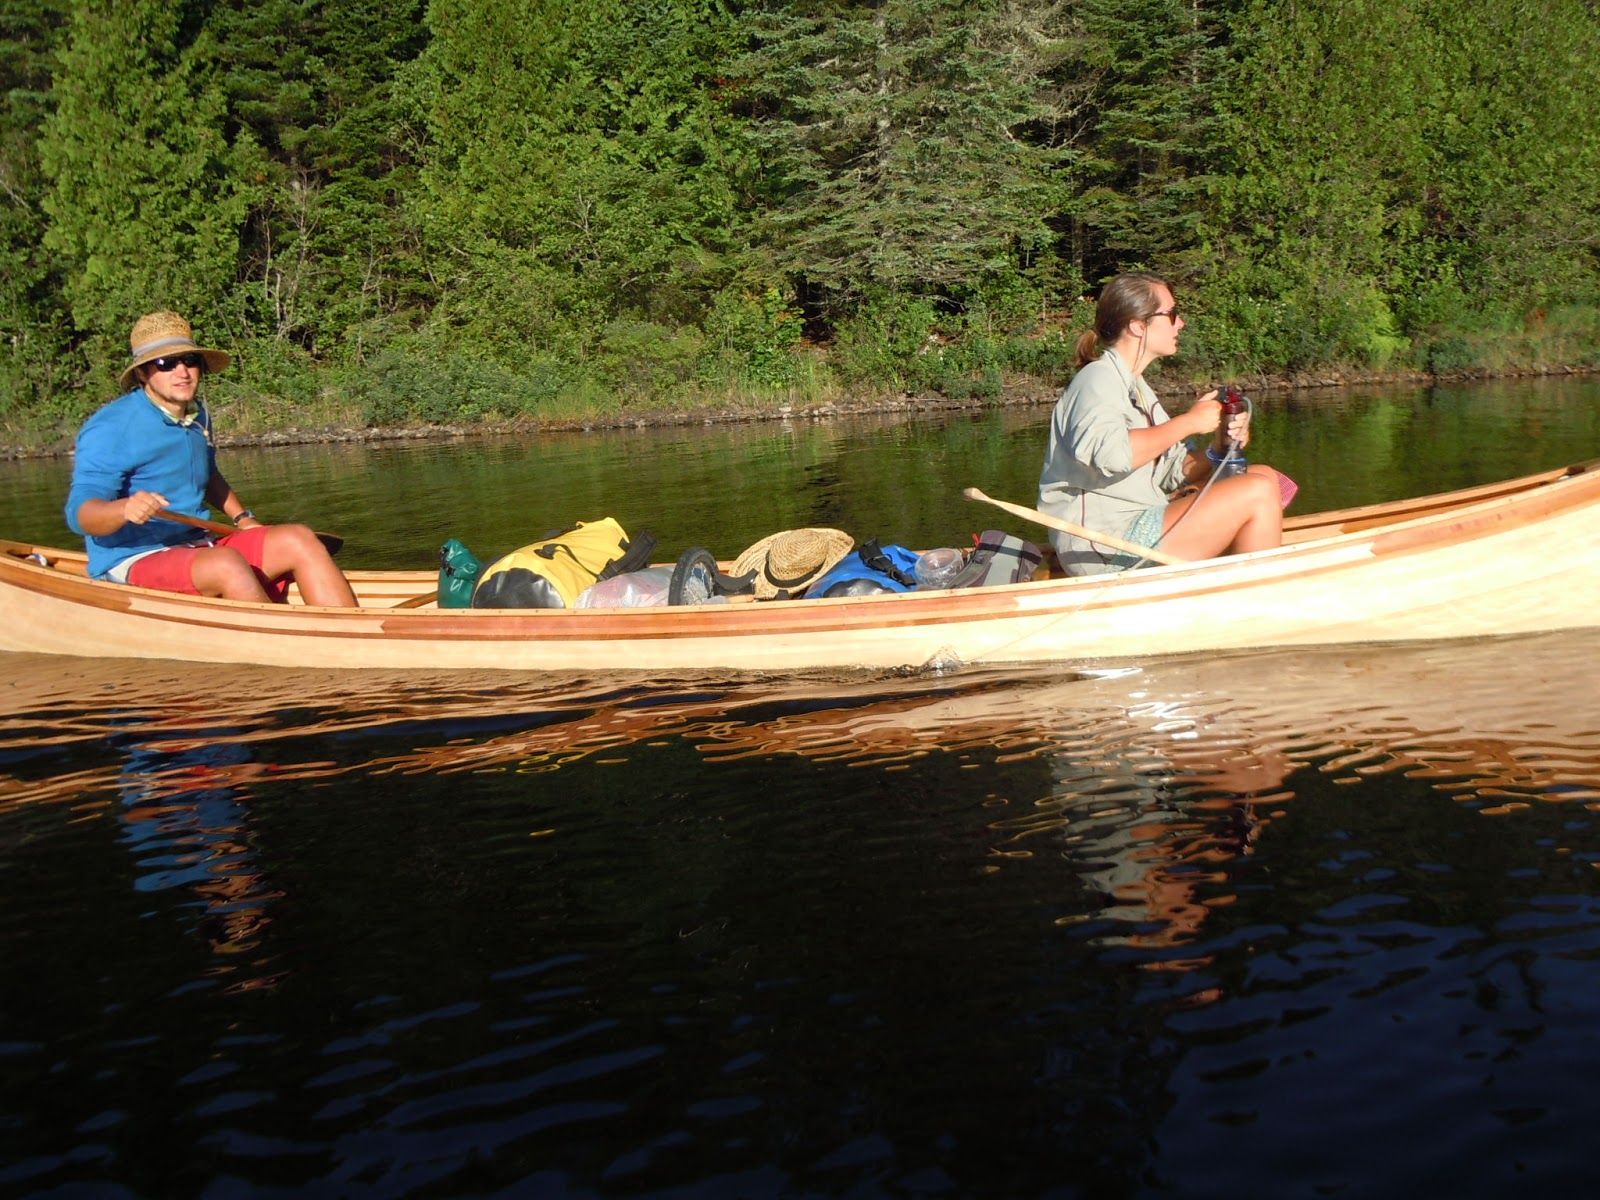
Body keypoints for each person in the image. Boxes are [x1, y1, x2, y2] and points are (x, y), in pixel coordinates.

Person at [65, 311, 358, 606]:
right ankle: (281, 645)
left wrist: (243, 518)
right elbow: (80, 514)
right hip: (133, 558)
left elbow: (208, 473)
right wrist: (123, 508)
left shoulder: (196, 415)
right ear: (143, 373)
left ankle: (354, 636)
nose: (182, 371)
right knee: (226, 564)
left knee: (299, 538)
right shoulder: (110, 428)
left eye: (190, 361)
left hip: (197, 546)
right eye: (166, 363)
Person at [1038, 273, 1285, 575]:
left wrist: (1219, 445)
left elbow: (1172, 473)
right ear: (1137, 325)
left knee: (1265, 476)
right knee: (1257, 491)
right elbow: (1112, 456)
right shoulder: (1096, 380)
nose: (1180, 323)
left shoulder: (1136, 386)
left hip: (1141, 519)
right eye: (1171, 315)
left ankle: (1241, 580)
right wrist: (1189, 422)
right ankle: (1255, 595)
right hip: (1105, 545)